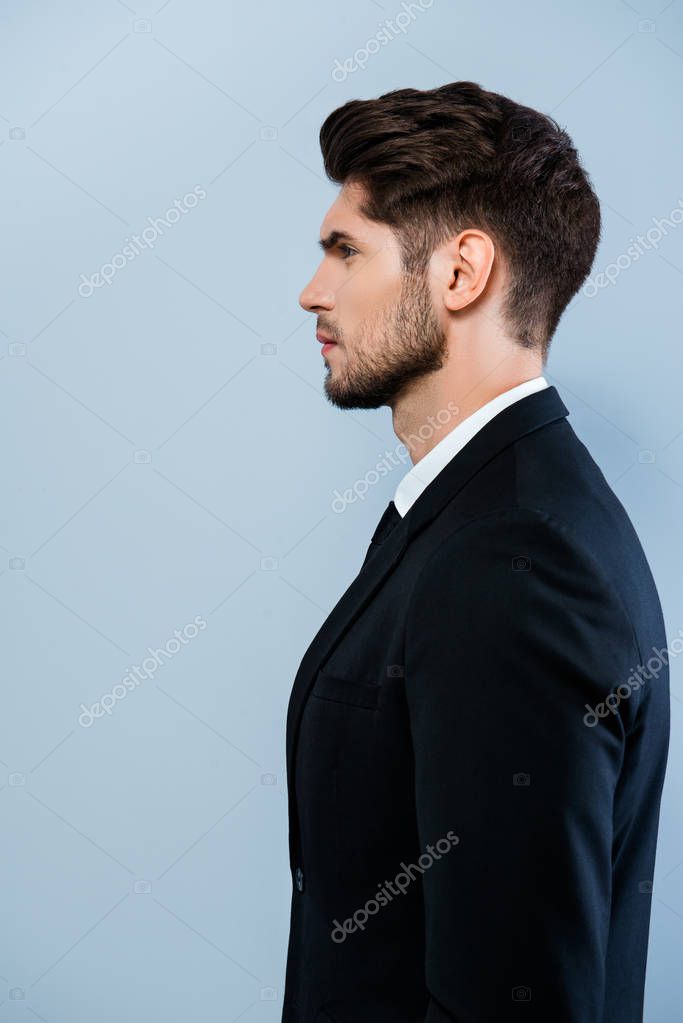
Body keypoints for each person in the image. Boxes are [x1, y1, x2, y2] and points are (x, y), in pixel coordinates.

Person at [282, 81, 670, 1023]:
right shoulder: (486, 516)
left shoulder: (512, 564)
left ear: (459, 274)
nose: (311, 292)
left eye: (345, 250)